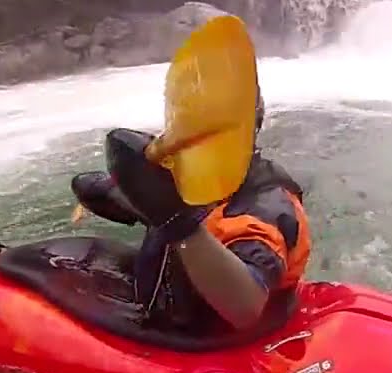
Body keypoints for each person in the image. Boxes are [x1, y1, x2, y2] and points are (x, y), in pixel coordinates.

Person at [69, 93, 311, 336]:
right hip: (174, 301)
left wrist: (178, 221)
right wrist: (122, 188)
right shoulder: (201, 177)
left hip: (211, 339)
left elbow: (245, 308)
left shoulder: (262, 206)